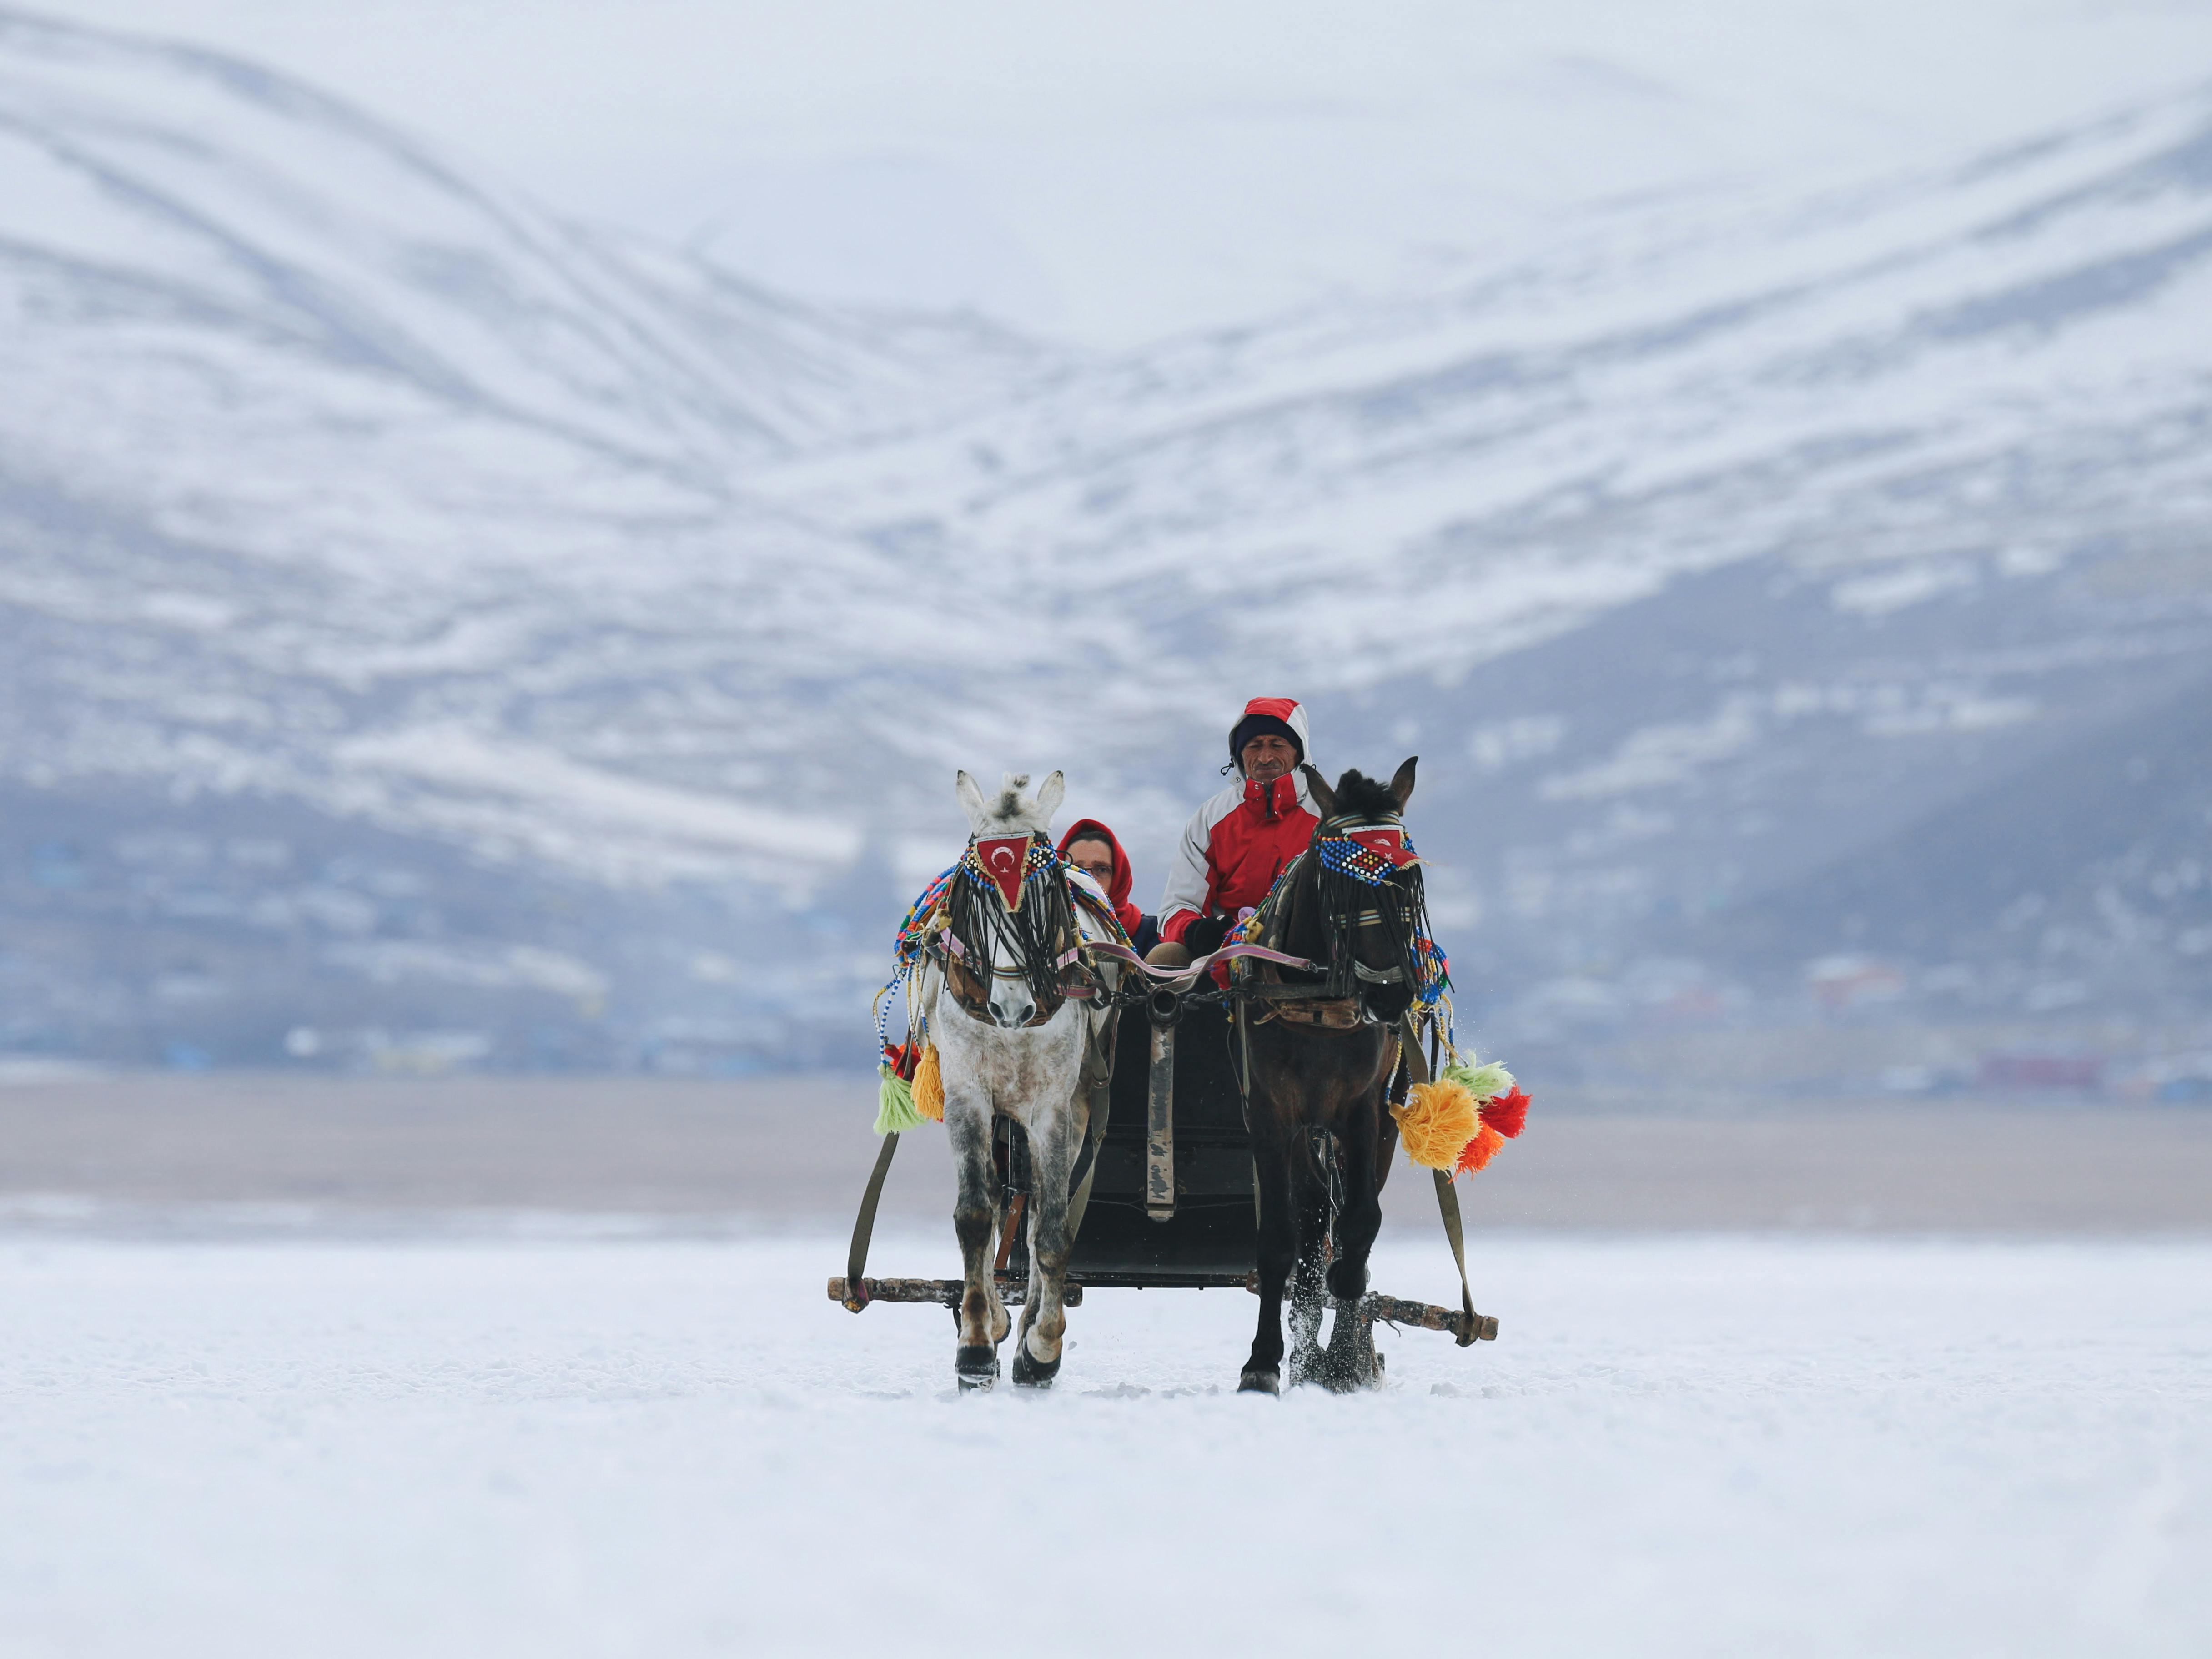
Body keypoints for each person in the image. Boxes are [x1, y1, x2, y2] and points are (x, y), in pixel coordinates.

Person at [1147, 697, 1319, 966]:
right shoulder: (1210, 818)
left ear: (1300, 752)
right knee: (1164, 957)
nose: (1265, 757)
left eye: (1277, 744)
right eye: (1254, 746)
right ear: (1239, 755)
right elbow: (1177, 906)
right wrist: (1197, 931)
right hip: (1224, 956)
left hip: (1311, 958)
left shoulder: (1329, 817)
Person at [1057, 819, 1159, 957]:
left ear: (1119, 878)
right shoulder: (1044, 935)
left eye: (1102, 870)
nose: (1087, 878)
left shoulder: (1152, 932)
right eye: (1075, 869)